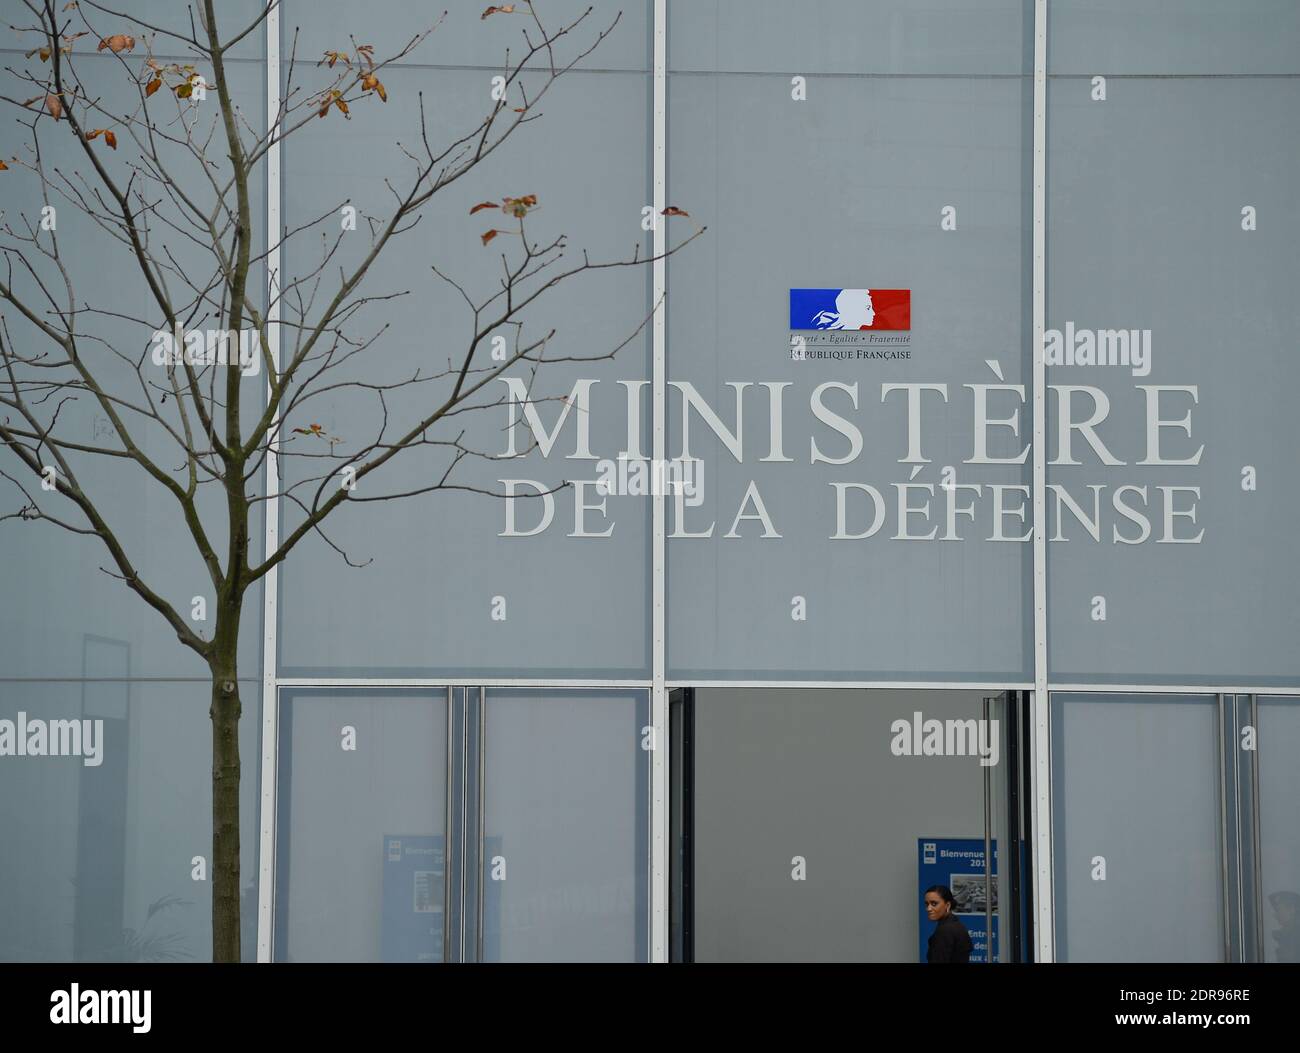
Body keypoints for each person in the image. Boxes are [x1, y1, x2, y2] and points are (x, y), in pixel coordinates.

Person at [924, 884, 973, 963]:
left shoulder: (945, 931)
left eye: (934, 904)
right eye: (927, 904)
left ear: (948, 905)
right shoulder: (958, 925)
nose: (928, 909)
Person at [1269, 891, 1300, 963]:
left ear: (1292, 910)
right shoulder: (1286, 934)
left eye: (1279, 910)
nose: (1275, 915)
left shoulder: (1295, 935)